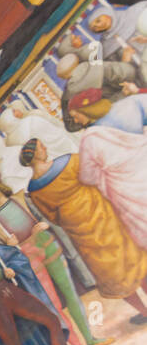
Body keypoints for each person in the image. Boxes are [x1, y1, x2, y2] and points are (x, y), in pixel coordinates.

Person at [21, 138, 147, 323]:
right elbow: (97, 176)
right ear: (35, 155)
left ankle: (144, 313)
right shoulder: (71, 162)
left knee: (112, 275)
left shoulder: (34, 190)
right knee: (136, 261)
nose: (45, 147)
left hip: (81, 234)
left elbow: (51, 216)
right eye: (41, 146)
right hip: (106, 217)